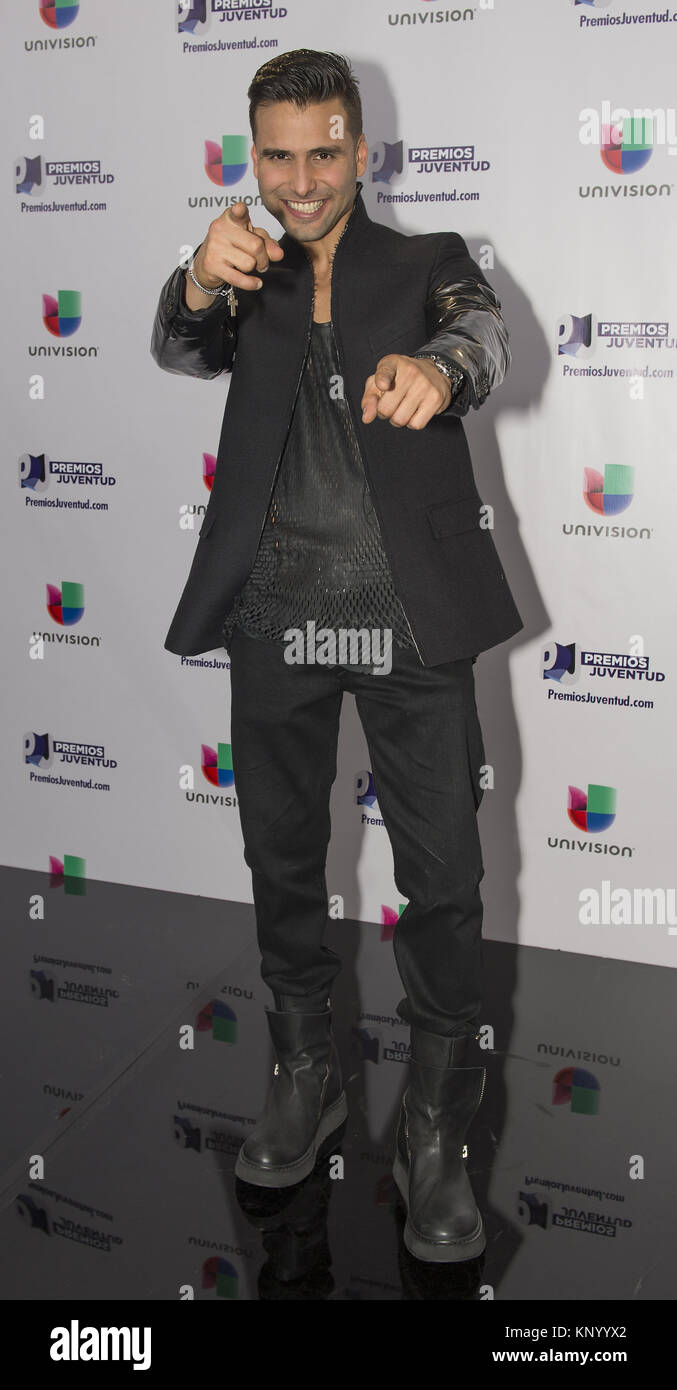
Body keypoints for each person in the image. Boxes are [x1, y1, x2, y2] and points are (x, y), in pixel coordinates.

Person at [151, 48, 522, 1264]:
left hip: (406, 618)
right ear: (250, 157)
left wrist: (438, 366)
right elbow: (178, 338)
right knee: (281, 861)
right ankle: (305, 1075)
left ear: (362, 152)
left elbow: (482, 336)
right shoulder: (237, 266)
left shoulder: (428, 261)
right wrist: (197, 280)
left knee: (447, 880)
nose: (299, 182)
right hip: (275, 612)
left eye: (323, 152)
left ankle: (432, 1127)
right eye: (276, 156)